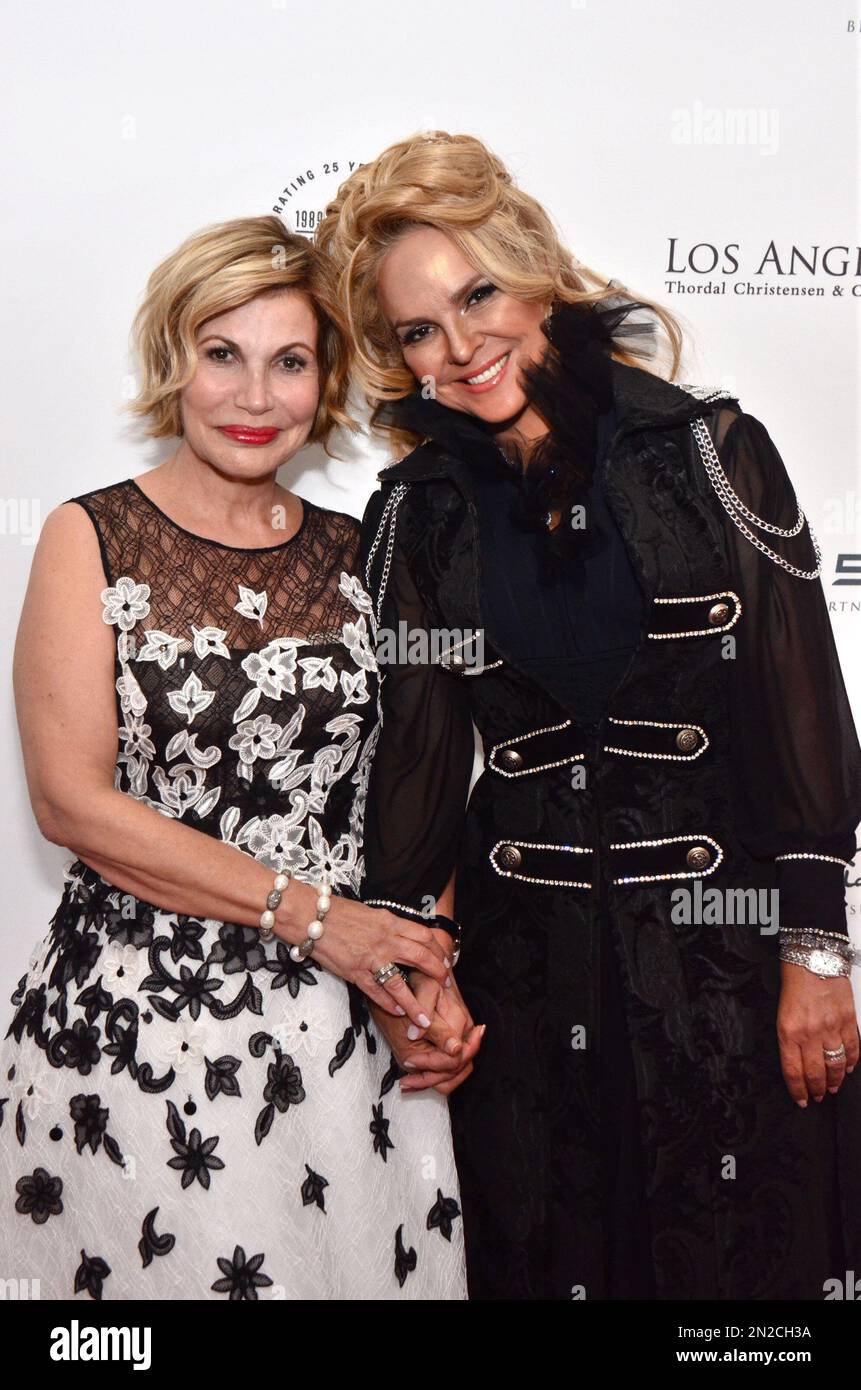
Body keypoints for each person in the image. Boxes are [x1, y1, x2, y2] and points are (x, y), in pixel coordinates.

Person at [315, 131, 861, 1300]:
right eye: (419, 330)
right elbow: (411, 769)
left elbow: (801, 709)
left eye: (479, 296)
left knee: (745, 1280)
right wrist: (423, 975)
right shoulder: (416, 513)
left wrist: (815, 954)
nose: (461, 348)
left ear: (536, 273)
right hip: (527, 983)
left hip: (726, 961)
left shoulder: (710, 454)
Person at [0, 215, 473, 1300]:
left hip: (341, 1033)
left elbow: (415, 783)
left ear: (329, 380)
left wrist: (429, 966)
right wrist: (317, 916)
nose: (255, 398)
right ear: (174, 360)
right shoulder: (91, 535)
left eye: (290, 362)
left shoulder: (369, 553)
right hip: (131, 1031)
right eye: (224, 355)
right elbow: (69, 802)